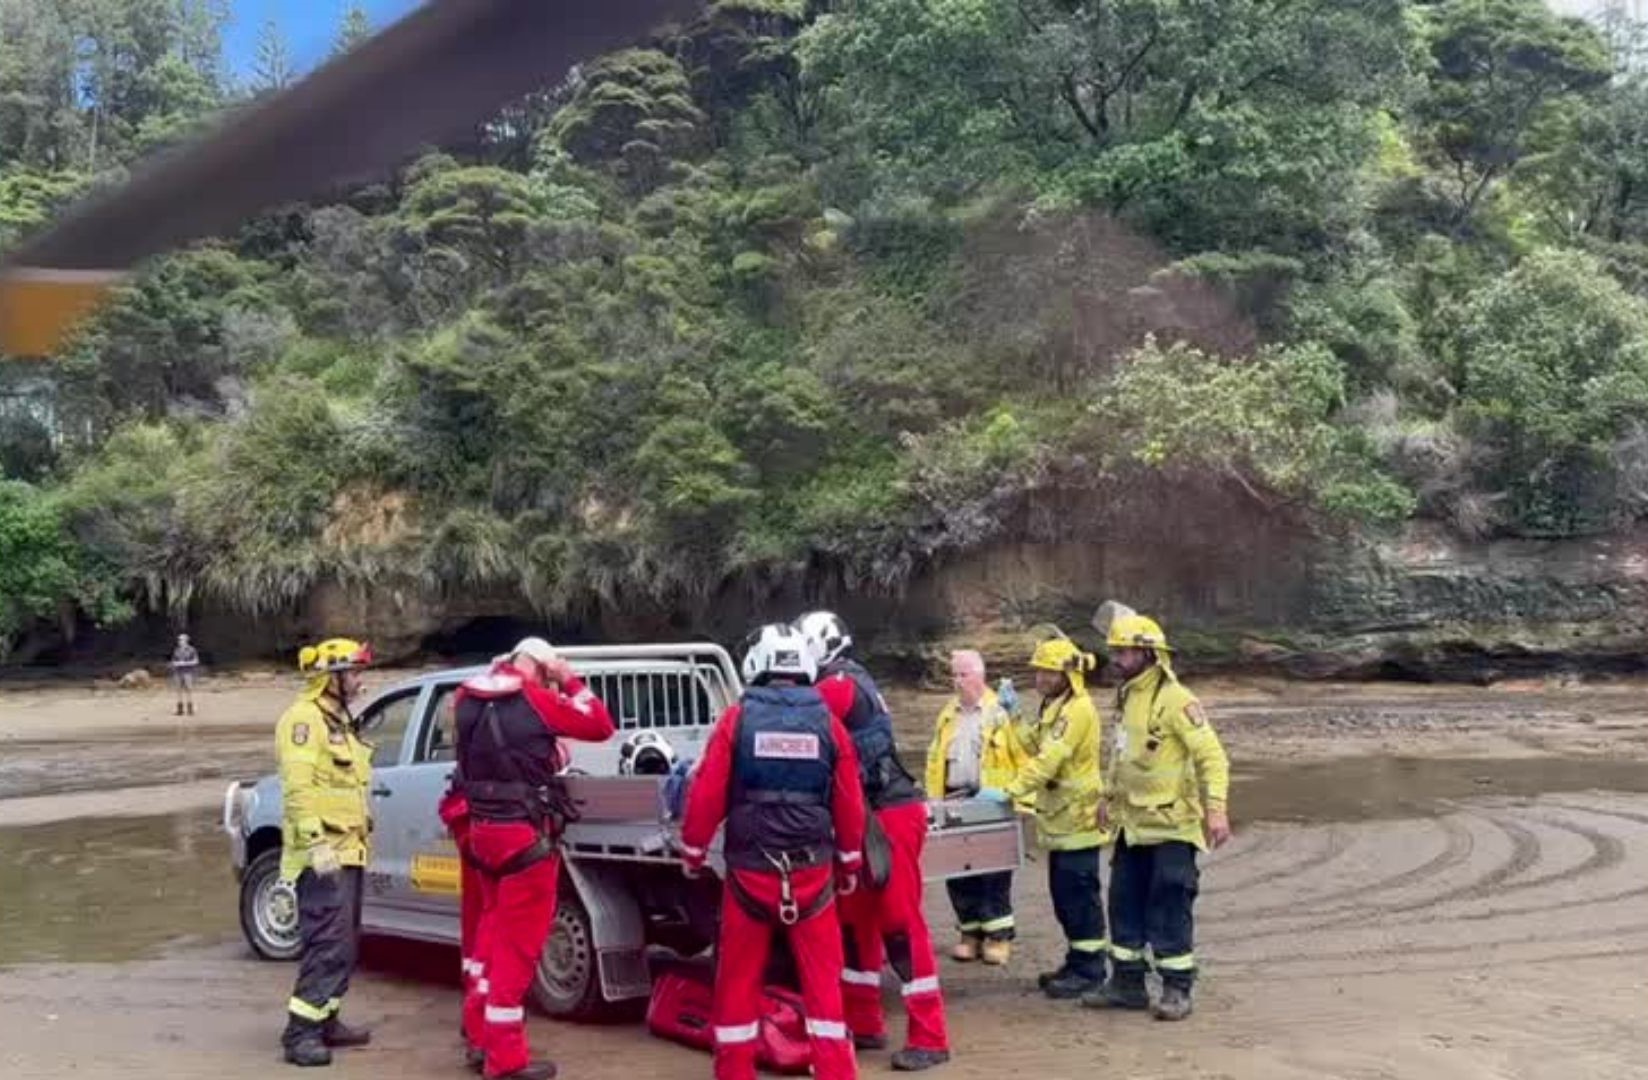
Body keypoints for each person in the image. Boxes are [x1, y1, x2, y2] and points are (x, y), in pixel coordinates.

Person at [679, 622, 865, 1080]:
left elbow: (707, 792)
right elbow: (849, 800)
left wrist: (693, 850)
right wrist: (849, 860)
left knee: (737, 982)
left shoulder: (736, 720)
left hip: (750, 872)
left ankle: (734, 1071)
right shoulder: (829, 723)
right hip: (813, 874)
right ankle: (836, 1071)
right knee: (823, 985)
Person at [456, 637, 616, 1080]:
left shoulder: (466, 699)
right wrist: (570, 681)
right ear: (543, 670)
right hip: (525, 841)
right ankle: (505, 1059)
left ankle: (478, 1036)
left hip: (482, 835)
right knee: (518, 952)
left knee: (488, 940)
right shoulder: (537, 700)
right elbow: (601, 725)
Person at [798, 610, 949, 1072]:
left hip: (888, 815)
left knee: (900, 923)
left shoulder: (839, 685)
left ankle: (930, 1036)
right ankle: (864, 1020)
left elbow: (800, 720)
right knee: (856, 920)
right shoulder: (849, 681)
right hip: (872, 815)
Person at [1083, 613, 1230, 1021]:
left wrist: (1216, 809)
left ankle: (1176, 988)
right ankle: (1127, 984)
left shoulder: (1177, 699)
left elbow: (1212, 756)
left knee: (1169, 905)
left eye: (1123, 651)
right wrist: (1107, 797)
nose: (1115, 658)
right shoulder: (1128, 696)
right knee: (1123, 904)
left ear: (1148, 653)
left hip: (1171, 827)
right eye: (1114, 650)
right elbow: (1121, 754)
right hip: (1131, 826)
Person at [984, 635, 1108, 1000]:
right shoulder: (1056, 706)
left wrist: (1011, 790)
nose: (1040, 678)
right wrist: (1015, 714)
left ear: (1067, 675)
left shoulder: (1077, 710)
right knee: (1064, 897)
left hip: (1078, 820)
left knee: (1079, 898)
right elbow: (1034, 745)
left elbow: (1048, 760)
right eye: (1038, 671)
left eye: (1048, 672)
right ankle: (1077, 961)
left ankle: (1090, 969)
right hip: (1061, 820)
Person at [276, 637, 376, 1068]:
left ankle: (327, 1019)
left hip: (348, 851)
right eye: (352, 672)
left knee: (345, 945)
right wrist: (315, 842)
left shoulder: (337, 721)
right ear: (329, 677)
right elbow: (298, 790)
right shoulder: (303, 721)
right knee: (327, 944)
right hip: (321, 856)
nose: (358, 680)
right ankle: (301, 1033)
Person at [924, 650, 1026, 965]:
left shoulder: (1000, 712)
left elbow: (1022, 756)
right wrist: (934, 800)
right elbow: (935, 759)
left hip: (991, 803)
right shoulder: (948, 714)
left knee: (993, 874)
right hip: (954, 800)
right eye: (954, 675)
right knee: (957, 872)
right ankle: (969, 934)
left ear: (980, 675)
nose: (957, 681)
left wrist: (1016, 799)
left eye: (963, 674)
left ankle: (998, 937)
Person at [170, 633, 200, 716]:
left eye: (181, 640)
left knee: (189, 690)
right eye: (179, 640)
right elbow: (173, 661)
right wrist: (176, 663)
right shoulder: (176, 650)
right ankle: (180, 709)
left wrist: (185, 663)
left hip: (188, 672)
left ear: (186, 640)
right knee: (178, 690)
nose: (179, 641)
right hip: (178, 672)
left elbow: (196, 661)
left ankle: (190, 709)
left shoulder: (192, 650)